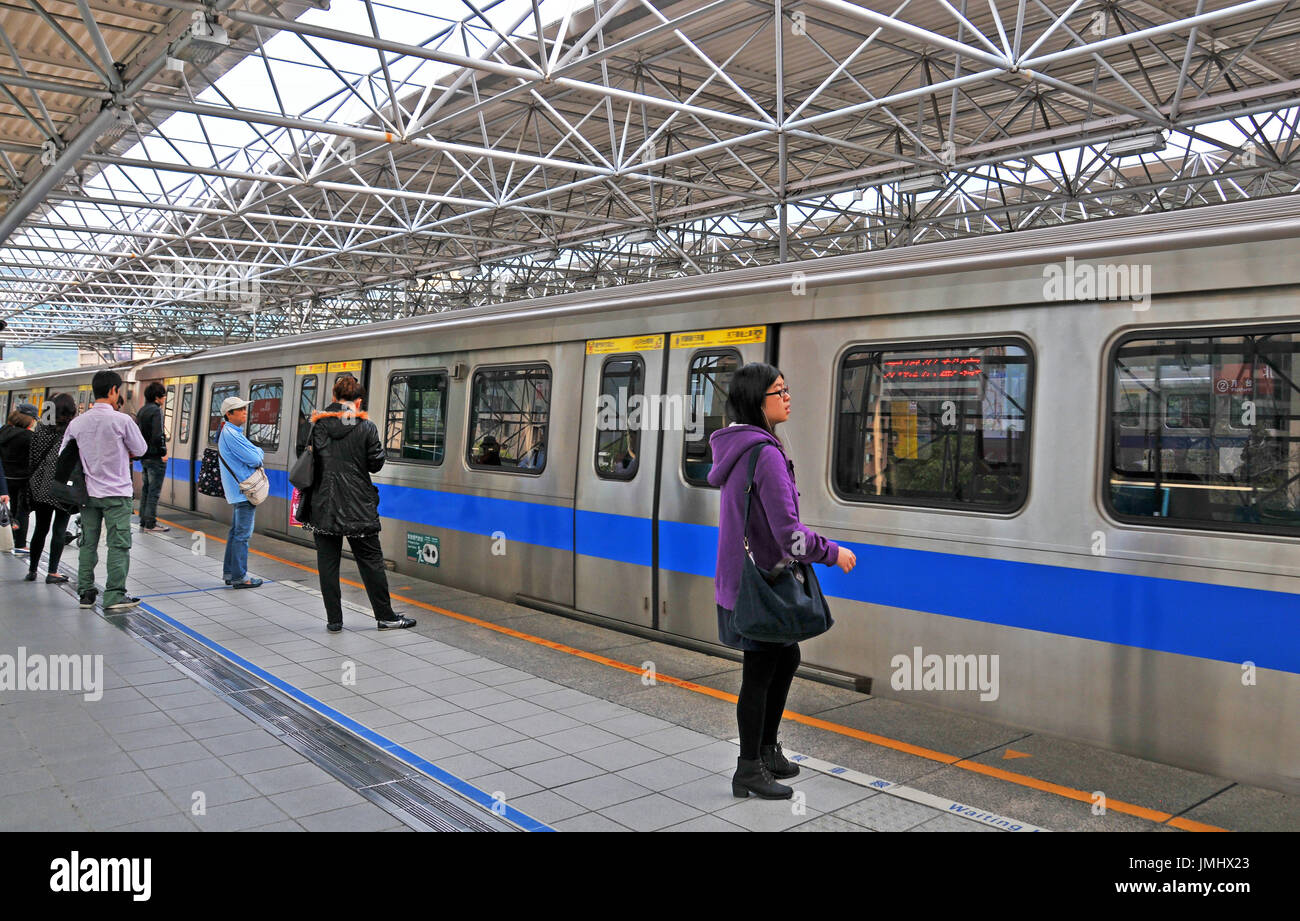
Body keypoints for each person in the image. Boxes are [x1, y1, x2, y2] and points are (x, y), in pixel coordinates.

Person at [707, 363, 856, 800]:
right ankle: (748, 768)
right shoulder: (765, 454)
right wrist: (833, 553)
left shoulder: (740, 448)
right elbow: (789, 535)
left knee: (784, 657)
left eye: (787, 389)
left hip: (743, 582)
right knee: (759, 672)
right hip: (759, 588)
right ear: (759, 402)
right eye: (779, 391)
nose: (788, 397)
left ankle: (766, 752)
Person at [298, 375, 414, 632]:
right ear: (358, 401)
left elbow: (307, 457)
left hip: (324, 504)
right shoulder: (367, 427)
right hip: (358, 505)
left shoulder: (317, 426)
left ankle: (334, 621)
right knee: (371, 561)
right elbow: (376, 463)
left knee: (328, 563)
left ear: (333, 398)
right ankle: (385, 616)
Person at [61, 370, 148, 611]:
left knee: (88, 543)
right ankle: (114, 595)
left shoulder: (77, 423)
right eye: (117, 390)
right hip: (117, 494)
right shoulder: (122, 421)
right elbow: (140, 449)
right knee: (118, 545)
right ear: (112, 391)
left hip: (88, 494)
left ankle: (86, 594)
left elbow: (64, 456)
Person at [25, 393, 76, 583]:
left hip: (41, 485)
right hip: (63, 485)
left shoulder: (41, 429)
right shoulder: (73, 431)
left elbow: (33, 457)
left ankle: (32, 570)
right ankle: (52, 572)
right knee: (60, 529)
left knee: (40, 528)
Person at [216, 396, 264, 589]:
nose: (245, 412)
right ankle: (240, 577)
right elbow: (256, 458)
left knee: (236, 532)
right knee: (242, 535)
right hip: (244, 491)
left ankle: (230, 573)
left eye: (245, 409)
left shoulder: (229, 432)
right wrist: (259, 452)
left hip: (238, 491)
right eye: (240, 409)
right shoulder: (232, 434)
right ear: (229, 414)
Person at [0, 407, 37, 556]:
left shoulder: (3, 431)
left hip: (4, 478)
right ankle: (20, 543)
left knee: (10, 509)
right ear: (29, 420)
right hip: (22, 479)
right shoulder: (29, 437)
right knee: (22, 510)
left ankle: (10, 537)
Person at [135, 382, 170, 533]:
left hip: (144, 456)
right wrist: (163, 452)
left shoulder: (142, 411)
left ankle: (143, 520)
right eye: (163, 396)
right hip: (155, 457)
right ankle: (150, 523)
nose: (164, 399)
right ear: (157, 397)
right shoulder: (156, 411)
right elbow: (158, 435)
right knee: (154, 492)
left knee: (146, 489)